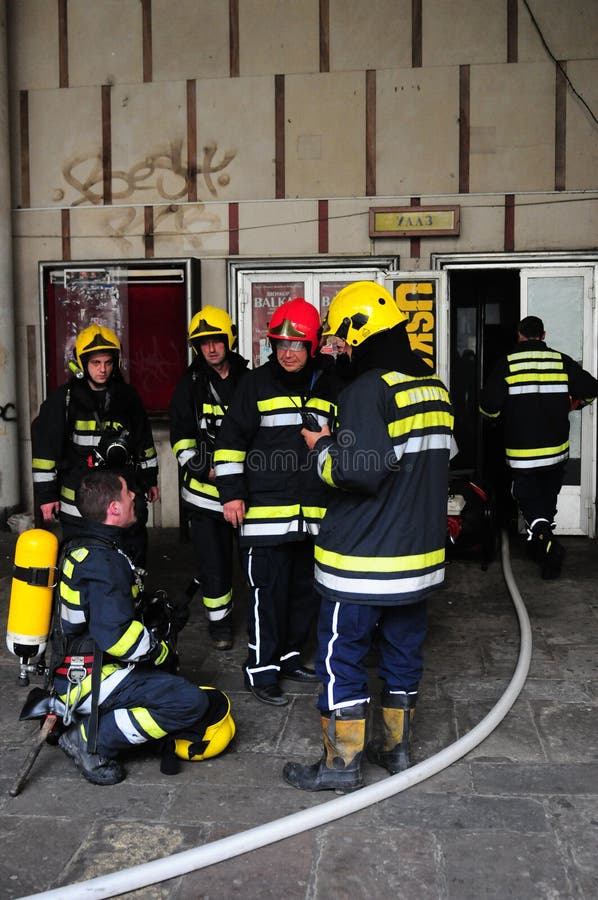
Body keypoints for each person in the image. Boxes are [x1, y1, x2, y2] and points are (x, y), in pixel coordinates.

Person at [282, 281, 454, 793]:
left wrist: (320, 446)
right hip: (418, 561)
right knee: (403, 653)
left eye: (341, 341)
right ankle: (396, 750)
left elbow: (357, 471)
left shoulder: (366, 391)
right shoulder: (434, 388)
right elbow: (436, 460)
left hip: (361, 561)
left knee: (342, 659)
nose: (338, 351)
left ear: (359, 333)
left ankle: (341, 764)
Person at [52, 469, 234, 785]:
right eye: (127, 493)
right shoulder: (104, 564)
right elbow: (116, 638)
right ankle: (90, 740)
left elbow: (107, 612)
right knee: (188, 702)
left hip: (77, 667)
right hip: (91, 676)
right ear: (114, 508)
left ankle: (93, 719)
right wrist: (159, 651)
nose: (134, 496)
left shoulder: (86, 544)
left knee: (169, 684)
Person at [214, 297, 339, 706]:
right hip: (264, 517)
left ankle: (289, 658)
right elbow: (229, 443)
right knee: (266, 596)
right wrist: (232, 494)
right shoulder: (254, 384)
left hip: (312, 516)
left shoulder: (328, 385)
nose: (288, 353)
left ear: (313, 346)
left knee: (304, 593)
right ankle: (261, 670)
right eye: (281, 344)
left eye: (297, 345)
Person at [480, 315, 598, 579]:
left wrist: (496, 419)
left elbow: (488, 406)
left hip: (523, 455)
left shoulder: (508, 363)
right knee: (546, 502)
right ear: (543, 335)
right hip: (556, 452)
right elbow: (591, 388)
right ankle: (541, 548)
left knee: (530, 503)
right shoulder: (560, 361)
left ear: (519, 334)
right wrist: (576, 404)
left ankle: (547, 545)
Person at [31, 324, 159, 567]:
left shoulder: (128, 397)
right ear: (81, 364)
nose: (103, 369)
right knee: (83, 563)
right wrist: (46, 496)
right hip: (79, 505)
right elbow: (45, 453)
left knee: (131, 559)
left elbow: (144, 442)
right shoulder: (63, 401)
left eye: (108, 363)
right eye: (96, 363)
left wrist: (150, 479)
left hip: (122, 501)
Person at [169, 306, 249, 650]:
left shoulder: (249, 380)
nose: (211, 348)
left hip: (246, 493)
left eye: (216, 340)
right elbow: (182, 439)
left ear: (229, 340)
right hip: (204, 496)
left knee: (256, 564)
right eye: (203, 343)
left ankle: (261, 622)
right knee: (214, 566)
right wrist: (207, 470)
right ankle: (221, 627)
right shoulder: (188, 385)